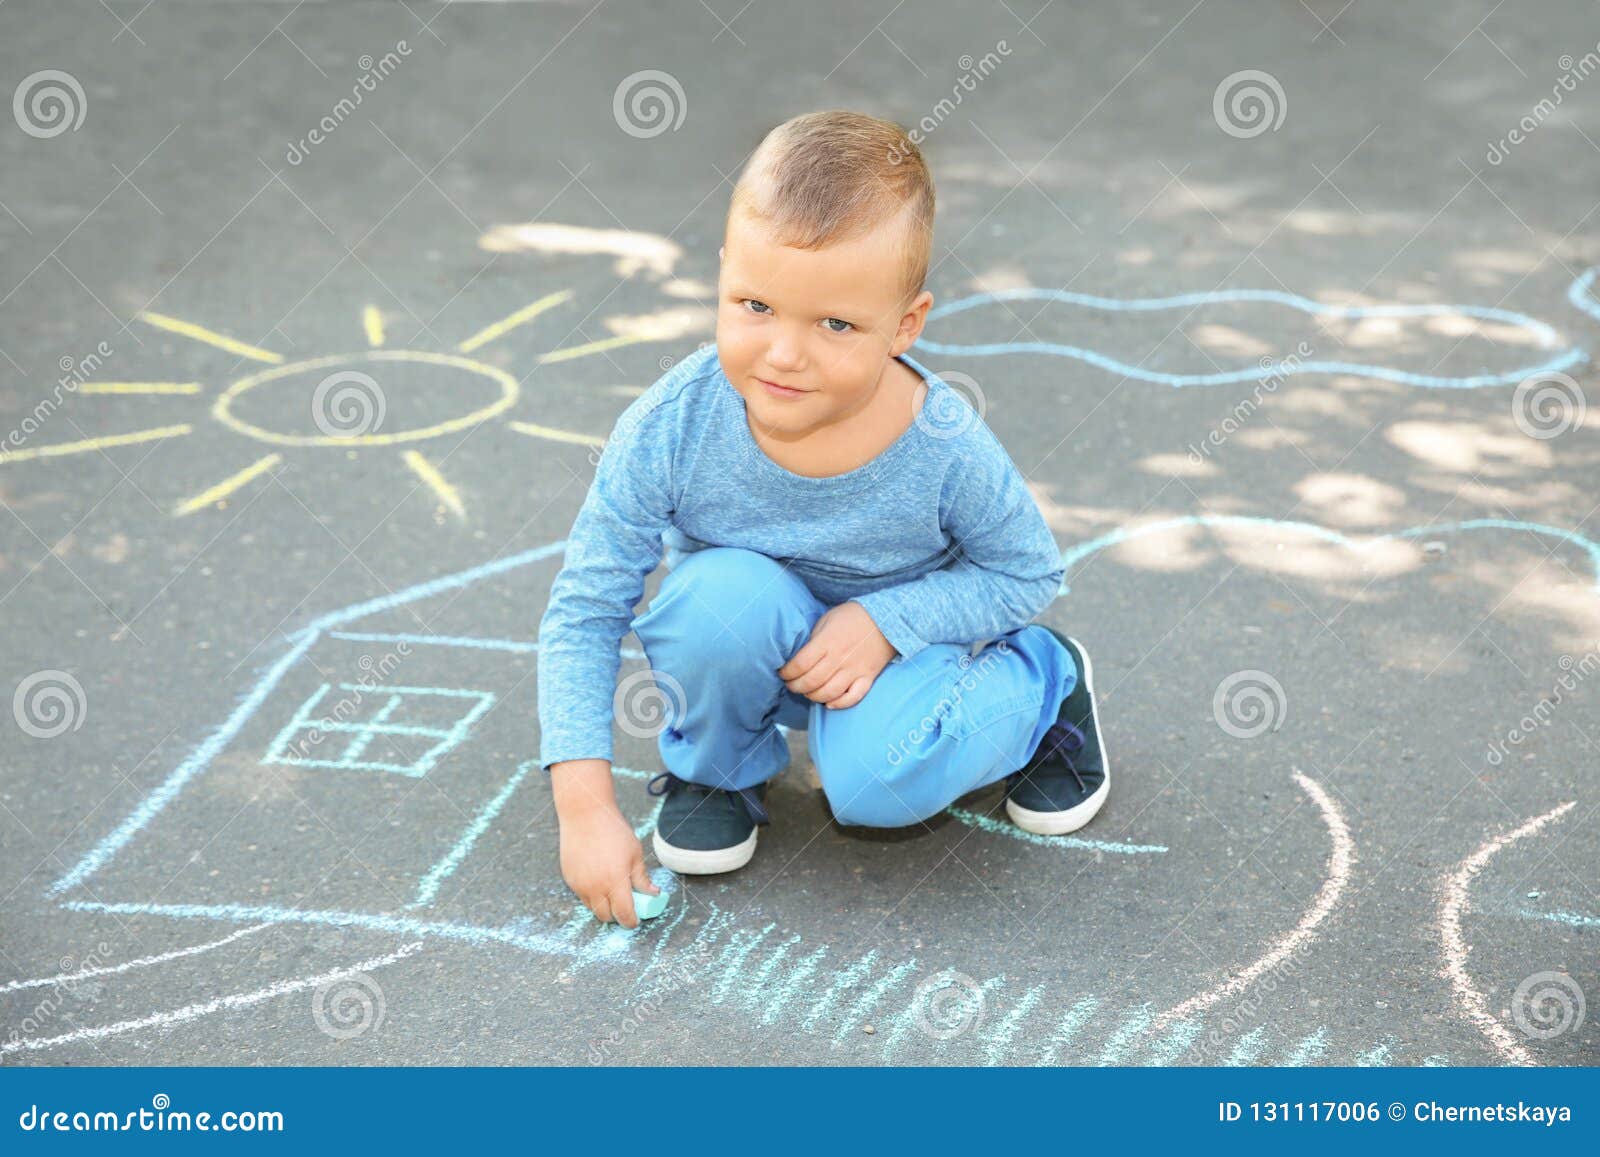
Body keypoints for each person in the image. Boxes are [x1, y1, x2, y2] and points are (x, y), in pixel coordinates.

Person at [538, 109, 1108, 928]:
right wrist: (585, 808)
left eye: (836, 324)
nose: (784, 353)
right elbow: (586, 610)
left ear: (905, 325)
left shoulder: (943, 442)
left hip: (897, 658)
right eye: (755, 303)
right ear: (723, 272)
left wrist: (886, 619)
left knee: (877, 783)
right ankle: (720, 765)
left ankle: (1047, 684)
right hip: (761, 643)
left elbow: (1028, 570)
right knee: (712, 598)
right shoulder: (672, 424)